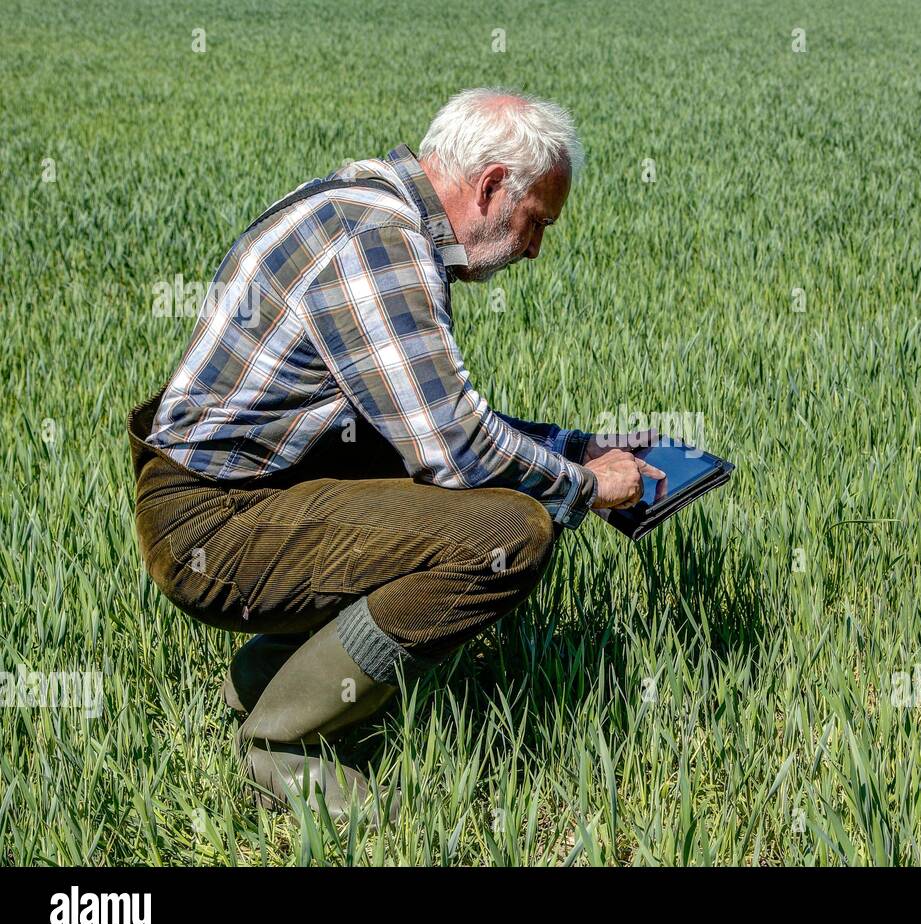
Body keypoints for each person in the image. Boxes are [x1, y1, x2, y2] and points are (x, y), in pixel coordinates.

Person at [126, 87, 664, 817]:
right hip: (215, 525)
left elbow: (425, 423)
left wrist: (581, 448)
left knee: (454, 502)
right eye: (537, 222)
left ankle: (265, 681)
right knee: (508, 533)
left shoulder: (372, 207)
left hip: (251, 493)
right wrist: (584, 487)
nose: (536, 248)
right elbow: (455, 446)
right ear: (493, 187)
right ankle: (282, 746)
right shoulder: (378, 242)